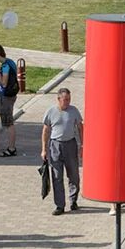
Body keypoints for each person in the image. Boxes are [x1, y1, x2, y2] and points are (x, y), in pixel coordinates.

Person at [41, 87, 83, 215]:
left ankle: (73, 200)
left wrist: (82, 145)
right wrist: (44, 149)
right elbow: (45, 131)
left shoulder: (74, 111)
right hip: (55, 146)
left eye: (69, 99)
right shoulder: (51, 112)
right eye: (65, 100)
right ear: (58, 99)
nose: (67, 102)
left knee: (73, 175)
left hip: (70, 144)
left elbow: (80, 127)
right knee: (57, 176)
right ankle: (60, 205)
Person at [0, 44, 21, 156]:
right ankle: (11, 146)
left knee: (9, 123)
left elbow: (4, 83)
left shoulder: (5, 66)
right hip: (12, 94)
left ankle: (11, 147)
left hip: (6, 96)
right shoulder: (11, 62)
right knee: (9, 122)